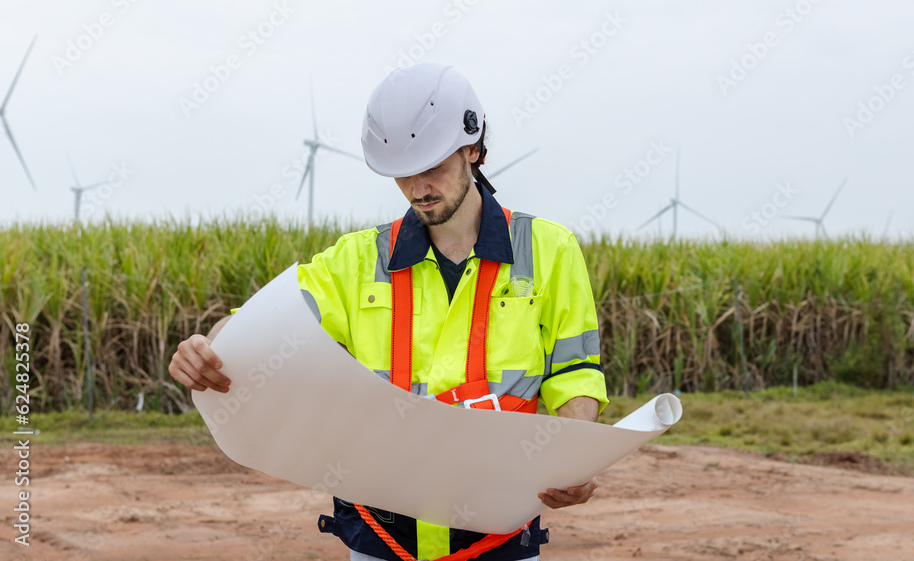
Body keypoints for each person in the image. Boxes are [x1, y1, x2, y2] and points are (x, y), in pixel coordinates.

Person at [169, 62, 609, 561]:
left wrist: (576, 459)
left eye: (432, 167)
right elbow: (260, 327)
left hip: (500, 531)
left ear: (473, 148)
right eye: (404, 172)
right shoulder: (357, 260)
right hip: (383, 535)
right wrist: (211, 347)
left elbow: (574, 372)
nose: (419, 187)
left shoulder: (549, 251)